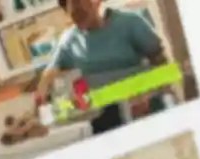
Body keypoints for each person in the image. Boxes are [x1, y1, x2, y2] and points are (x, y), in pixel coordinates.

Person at [35, 0, 169, 135]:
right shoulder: (69, 40)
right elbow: (49, 74)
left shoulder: (130, 23)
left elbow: (163, 65)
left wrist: (147, 94)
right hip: (105, 121)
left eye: (82, 10)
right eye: (73, 15)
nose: (78, 19)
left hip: (146, 112)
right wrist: (42, 102)